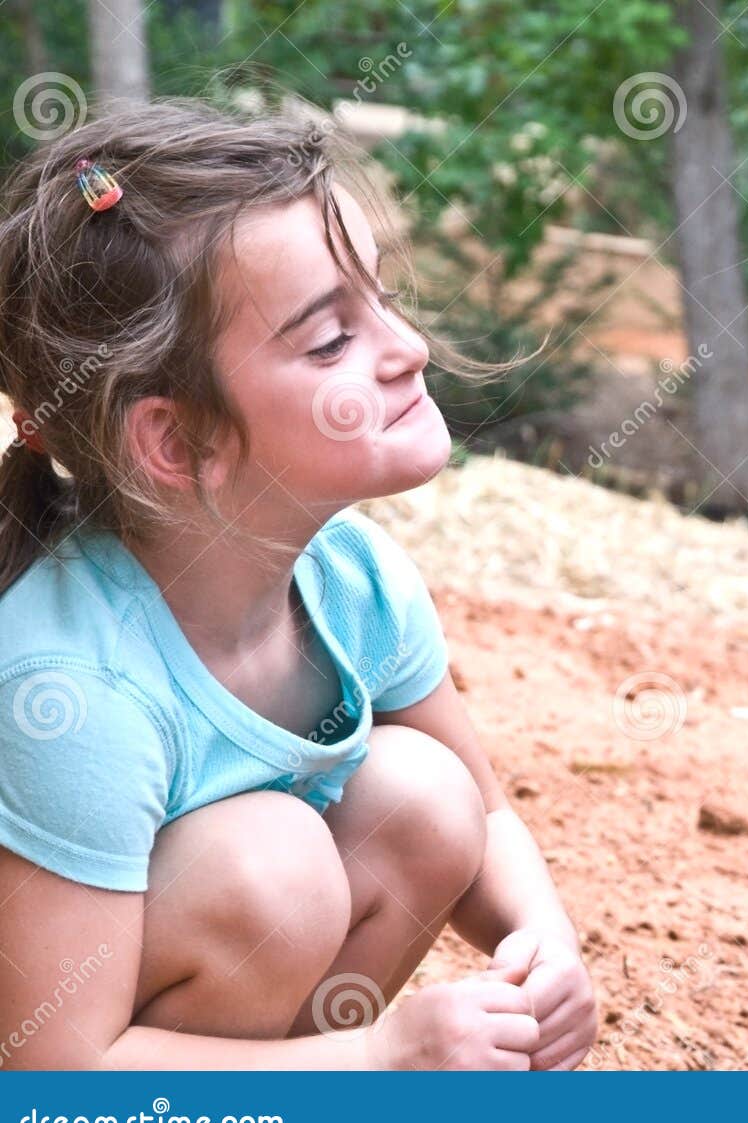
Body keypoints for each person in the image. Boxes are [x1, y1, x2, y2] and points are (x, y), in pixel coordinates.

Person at [0, 100, 595, 1070]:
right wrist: (373, 1062)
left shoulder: (357, 582)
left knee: (426, 797)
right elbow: (52, 1083)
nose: (405, 348)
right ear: (177, 441)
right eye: (330, 342)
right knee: (268, 868)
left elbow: (483, 817)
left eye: (382, 301)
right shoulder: (71, 690)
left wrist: (542, 936)